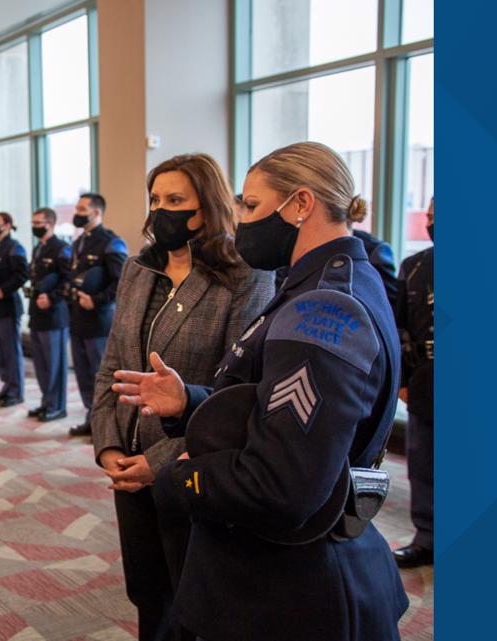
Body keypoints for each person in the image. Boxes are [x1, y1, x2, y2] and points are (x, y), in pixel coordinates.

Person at [116, 142, 408, 641]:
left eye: (250, 205)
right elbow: (276, 410)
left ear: (300, 204)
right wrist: (192, 401)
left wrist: (175, 480)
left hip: (295, 583)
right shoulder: (321, 285)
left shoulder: (325, 311)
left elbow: (281, 485)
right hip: (289, 566)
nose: (240, 219)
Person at [91, 154, 274, 641]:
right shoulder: (138, 271)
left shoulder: (244, 277)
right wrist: (108, 447)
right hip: (126, 463)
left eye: (176, 200)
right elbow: (111, 365)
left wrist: (158, 460)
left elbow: (236, 393)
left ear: (208, 206)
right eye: (155, 199)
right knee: (147, 591)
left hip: (189, 462)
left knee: (196, 598)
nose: (161, 210)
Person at [392, 196, 434, 569]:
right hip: (426, 382)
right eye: (432, 217)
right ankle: (428, 538)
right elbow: (400, 326)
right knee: (423, 465)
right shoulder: (415, 266)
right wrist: (404, 380)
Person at [68, 193, 129, 436]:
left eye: (82, 208)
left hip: (99, 320)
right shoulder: (78, 243)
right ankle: (91, 417)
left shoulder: (111, 242)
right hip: (77, 319)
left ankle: (108, 426)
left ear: (96, 213)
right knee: (83, 373)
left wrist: (96, 300)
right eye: (77, 207)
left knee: (101, 375)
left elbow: (121, 283)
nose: (77, 212)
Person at [27, 207, 72, 423]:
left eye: (39, 223)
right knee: (41, 364)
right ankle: (47, 401)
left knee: (54, 364)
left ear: (51, 224)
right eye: (33, 222)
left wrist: (52, 298)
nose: (35, 226)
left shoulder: (61, 248)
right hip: (37, 313)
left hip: (54, 314)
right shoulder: (39, 248)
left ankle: (57, 406)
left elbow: (68, 280)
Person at [0, 212, 30, 407]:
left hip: (8, 305)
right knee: (0, 351)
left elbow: (22, 275)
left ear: (8, 225)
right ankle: (6, 386)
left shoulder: (14, 247)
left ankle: (16, 390)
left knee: (10, 351)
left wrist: (3, 289)